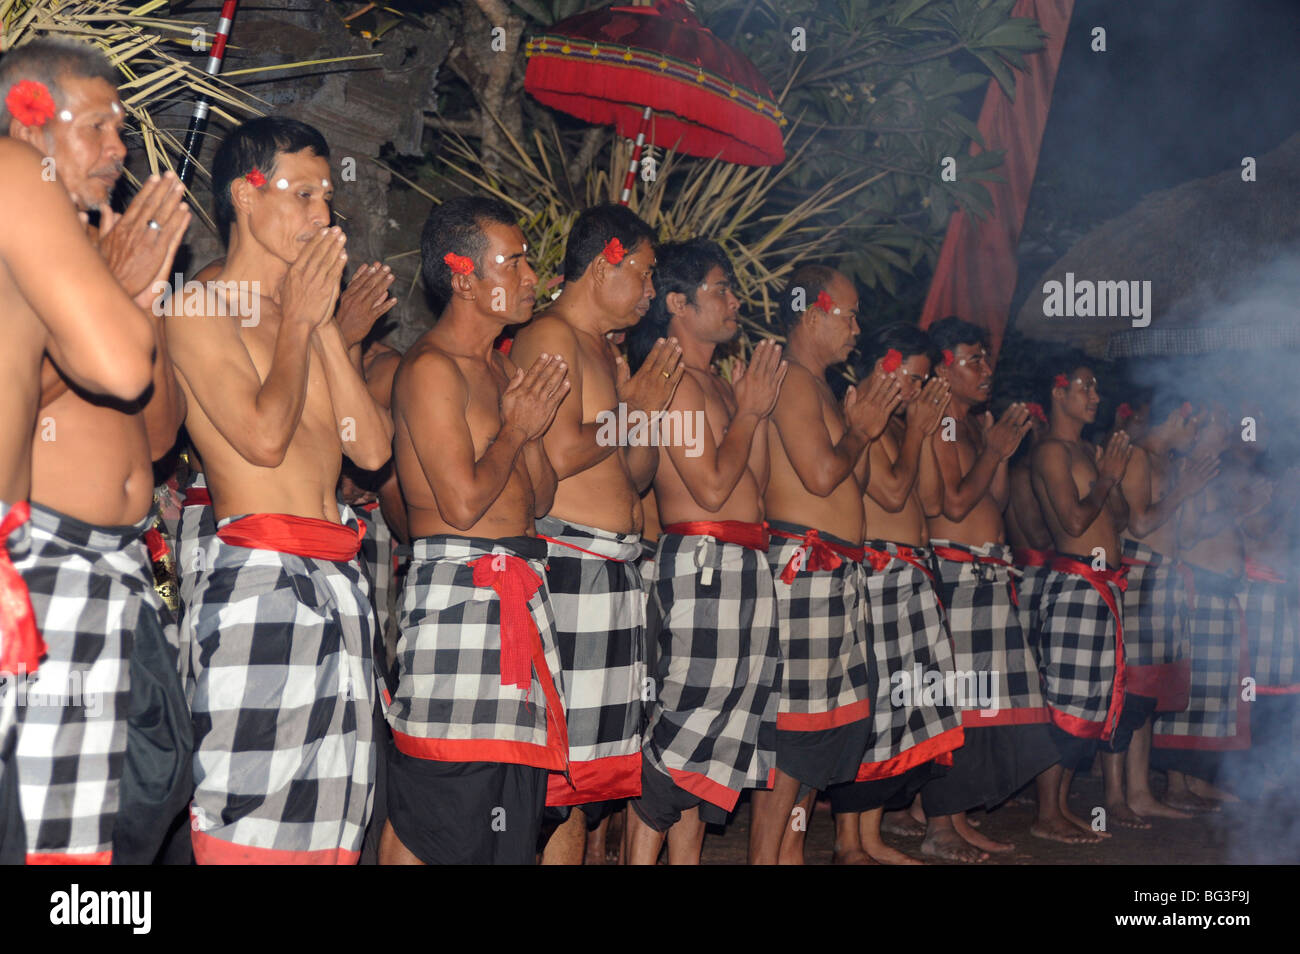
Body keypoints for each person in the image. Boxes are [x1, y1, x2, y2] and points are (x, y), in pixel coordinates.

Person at [167, 116, 393, 863]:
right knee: (251, 818)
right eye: (303, 194)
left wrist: (322, 324)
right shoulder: (199, 309)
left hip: (340, 584)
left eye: (327, 197)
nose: (322, 215)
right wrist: (299, 322)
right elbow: (262, 438)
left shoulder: (305, 317)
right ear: (247, 195)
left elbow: (371, 445)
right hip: (258, 581)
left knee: (335, 820)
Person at [3, 37, 193, 865]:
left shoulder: (95, 244)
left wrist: (140, 298)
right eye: (101, 127)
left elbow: (153, 431)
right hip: (42, 554)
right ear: (29, 120)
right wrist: (116, 289)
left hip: (116, 569)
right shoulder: (15, 189)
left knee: (134, 806)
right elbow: (100, 368)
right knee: (45, 835)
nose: (121, 148)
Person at [380, 196, 570, 865]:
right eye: (512, 262)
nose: (530, 277)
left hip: (519, 591)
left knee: (507, 797)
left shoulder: (501, 367)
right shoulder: (431, 369)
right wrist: (516, 430)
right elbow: (460, 505)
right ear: (463, 276)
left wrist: (532, 431)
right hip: (460, 595)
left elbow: (539, 497)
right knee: (442, 789)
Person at [511, 205, 681, 863]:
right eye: (642, 274)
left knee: (588, 777)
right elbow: (553, 455)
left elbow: (632, 475)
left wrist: (644, 419)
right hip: (568, 564)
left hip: (613, 571)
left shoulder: (601, 352)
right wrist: (631, 411)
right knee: (558, 770)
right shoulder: (549, 336)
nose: (648, 293)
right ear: (606, 259)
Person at [624, 239, 786, 865]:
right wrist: (749, 413)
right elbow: (713, 487)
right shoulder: (673, 382)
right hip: (702, 563)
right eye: (720, 288)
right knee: (689, 716)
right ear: (676, 304)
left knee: (722, 729)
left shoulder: (719, 385)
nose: (734, 300)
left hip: (746, 561)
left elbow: (758, 485)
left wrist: (759, 414)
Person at [759, 266, 899, 864]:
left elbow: (856, 481)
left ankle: (789, 856)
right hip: (804, 573)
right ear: (813, 314)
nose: (858, 328)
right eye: (849, 314)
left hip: (836, 576)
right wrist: (860, 431)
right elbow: (820, 476)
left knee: (820, 737)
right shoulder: (791, 381)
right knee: (793, 740)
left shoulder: (822, 386)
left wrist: (863, 428)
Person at [917, 317, 1059, 860]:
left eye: (985, 358)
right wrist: (996, 451)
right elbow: (952, 504)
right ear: (943, 368)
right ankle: (940, 826)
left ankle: (956, 819)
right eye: (972, 359)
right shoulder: (943, 424)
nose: (985, 369)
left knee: (981, 708)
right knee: (954, 707)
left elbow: (992, 502)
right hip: (955, 577)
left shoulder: (973, 422)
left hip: (987, 576)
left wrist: (999, 446)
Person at [831, 322, 965, 865]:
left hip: (909, 578)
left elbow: (929, 501)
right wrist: (915, 429)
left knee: (899, 711)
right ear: (888, 368)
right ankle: (847, 842)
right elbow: (886, 489)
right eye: (915, 378)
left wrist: (925, 430)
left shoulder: (905, 422)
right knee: (872, 709)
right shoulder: (860, 409)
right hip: (878, 574)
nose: (920, 390)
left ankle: (869, 836)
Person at [1029, 363, 1132, 841]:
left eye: (1096, 385)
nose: (1095, 394)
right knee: (1066, 702)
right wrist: (1106, 480)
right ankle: (1046, 812)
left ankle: (1062, 804)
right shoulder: (1051, 450)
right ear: (1058, 390)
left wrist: (1109, 476)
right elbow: (1072, 523)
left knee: (1089, 705)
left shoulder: (1084, 451)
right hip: (1075, 586)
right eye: (1085, 386)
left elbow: (1121, 517)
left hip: (1103, 588)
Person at [1114, 392, 1215, 821]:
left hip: (1167, 582)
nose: (1197, 435)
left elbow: (1186, 536)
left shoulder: (1173, 464)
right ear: (1177, 416)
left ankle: (1140, 791)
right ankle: (1121, 795)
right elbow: (1139, 523)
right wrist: (1184, 489)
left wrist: (1190, 488)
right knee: (1130, 693)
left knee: (1151, 694)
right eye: (1195, 425)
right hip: (1138, 581)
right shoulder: (1137, 457)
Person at [1153, 402, 1252, 808]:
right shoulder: (1187, 468)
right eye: (1221, 423)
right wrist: (1237, 511)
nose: (1229, 429)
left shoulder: (1216, 472)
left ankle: (1195, 781)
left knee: (1213, 697)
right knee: (1188, 694)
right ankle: (1178, 786)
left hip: (1220, 596)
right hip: (1198, 595)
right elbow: (1187, 536)